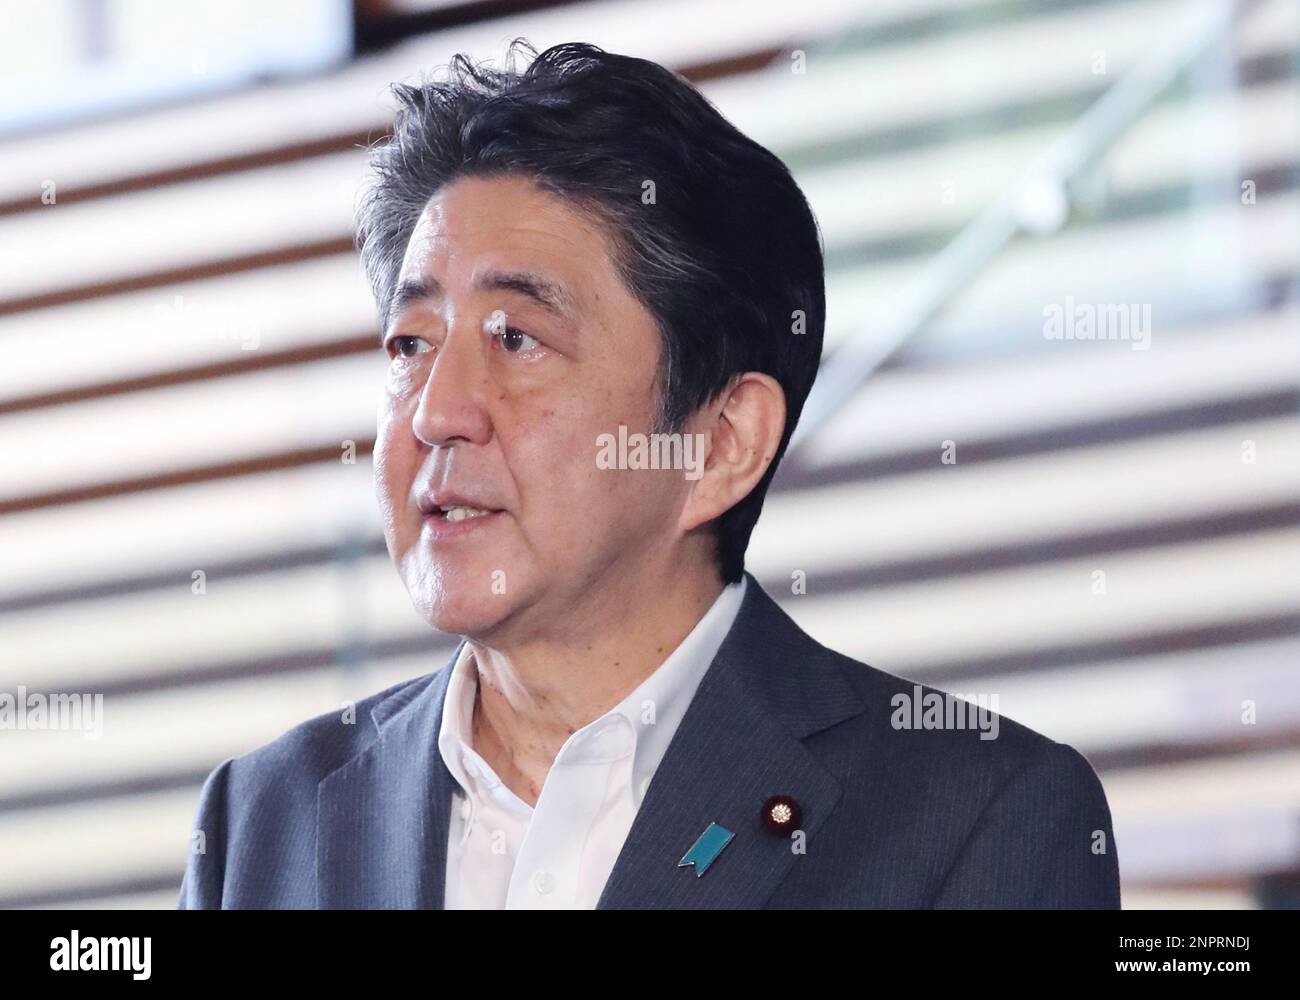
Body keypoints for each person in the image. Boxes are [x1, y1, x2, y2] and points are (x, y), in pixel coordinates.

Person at [177, 40, 1120, 909]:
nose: (436, 412)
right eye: (411, 343)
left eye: (517, 337)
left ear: (718, 443)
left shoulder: (975, 822)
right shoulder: (264, 821)